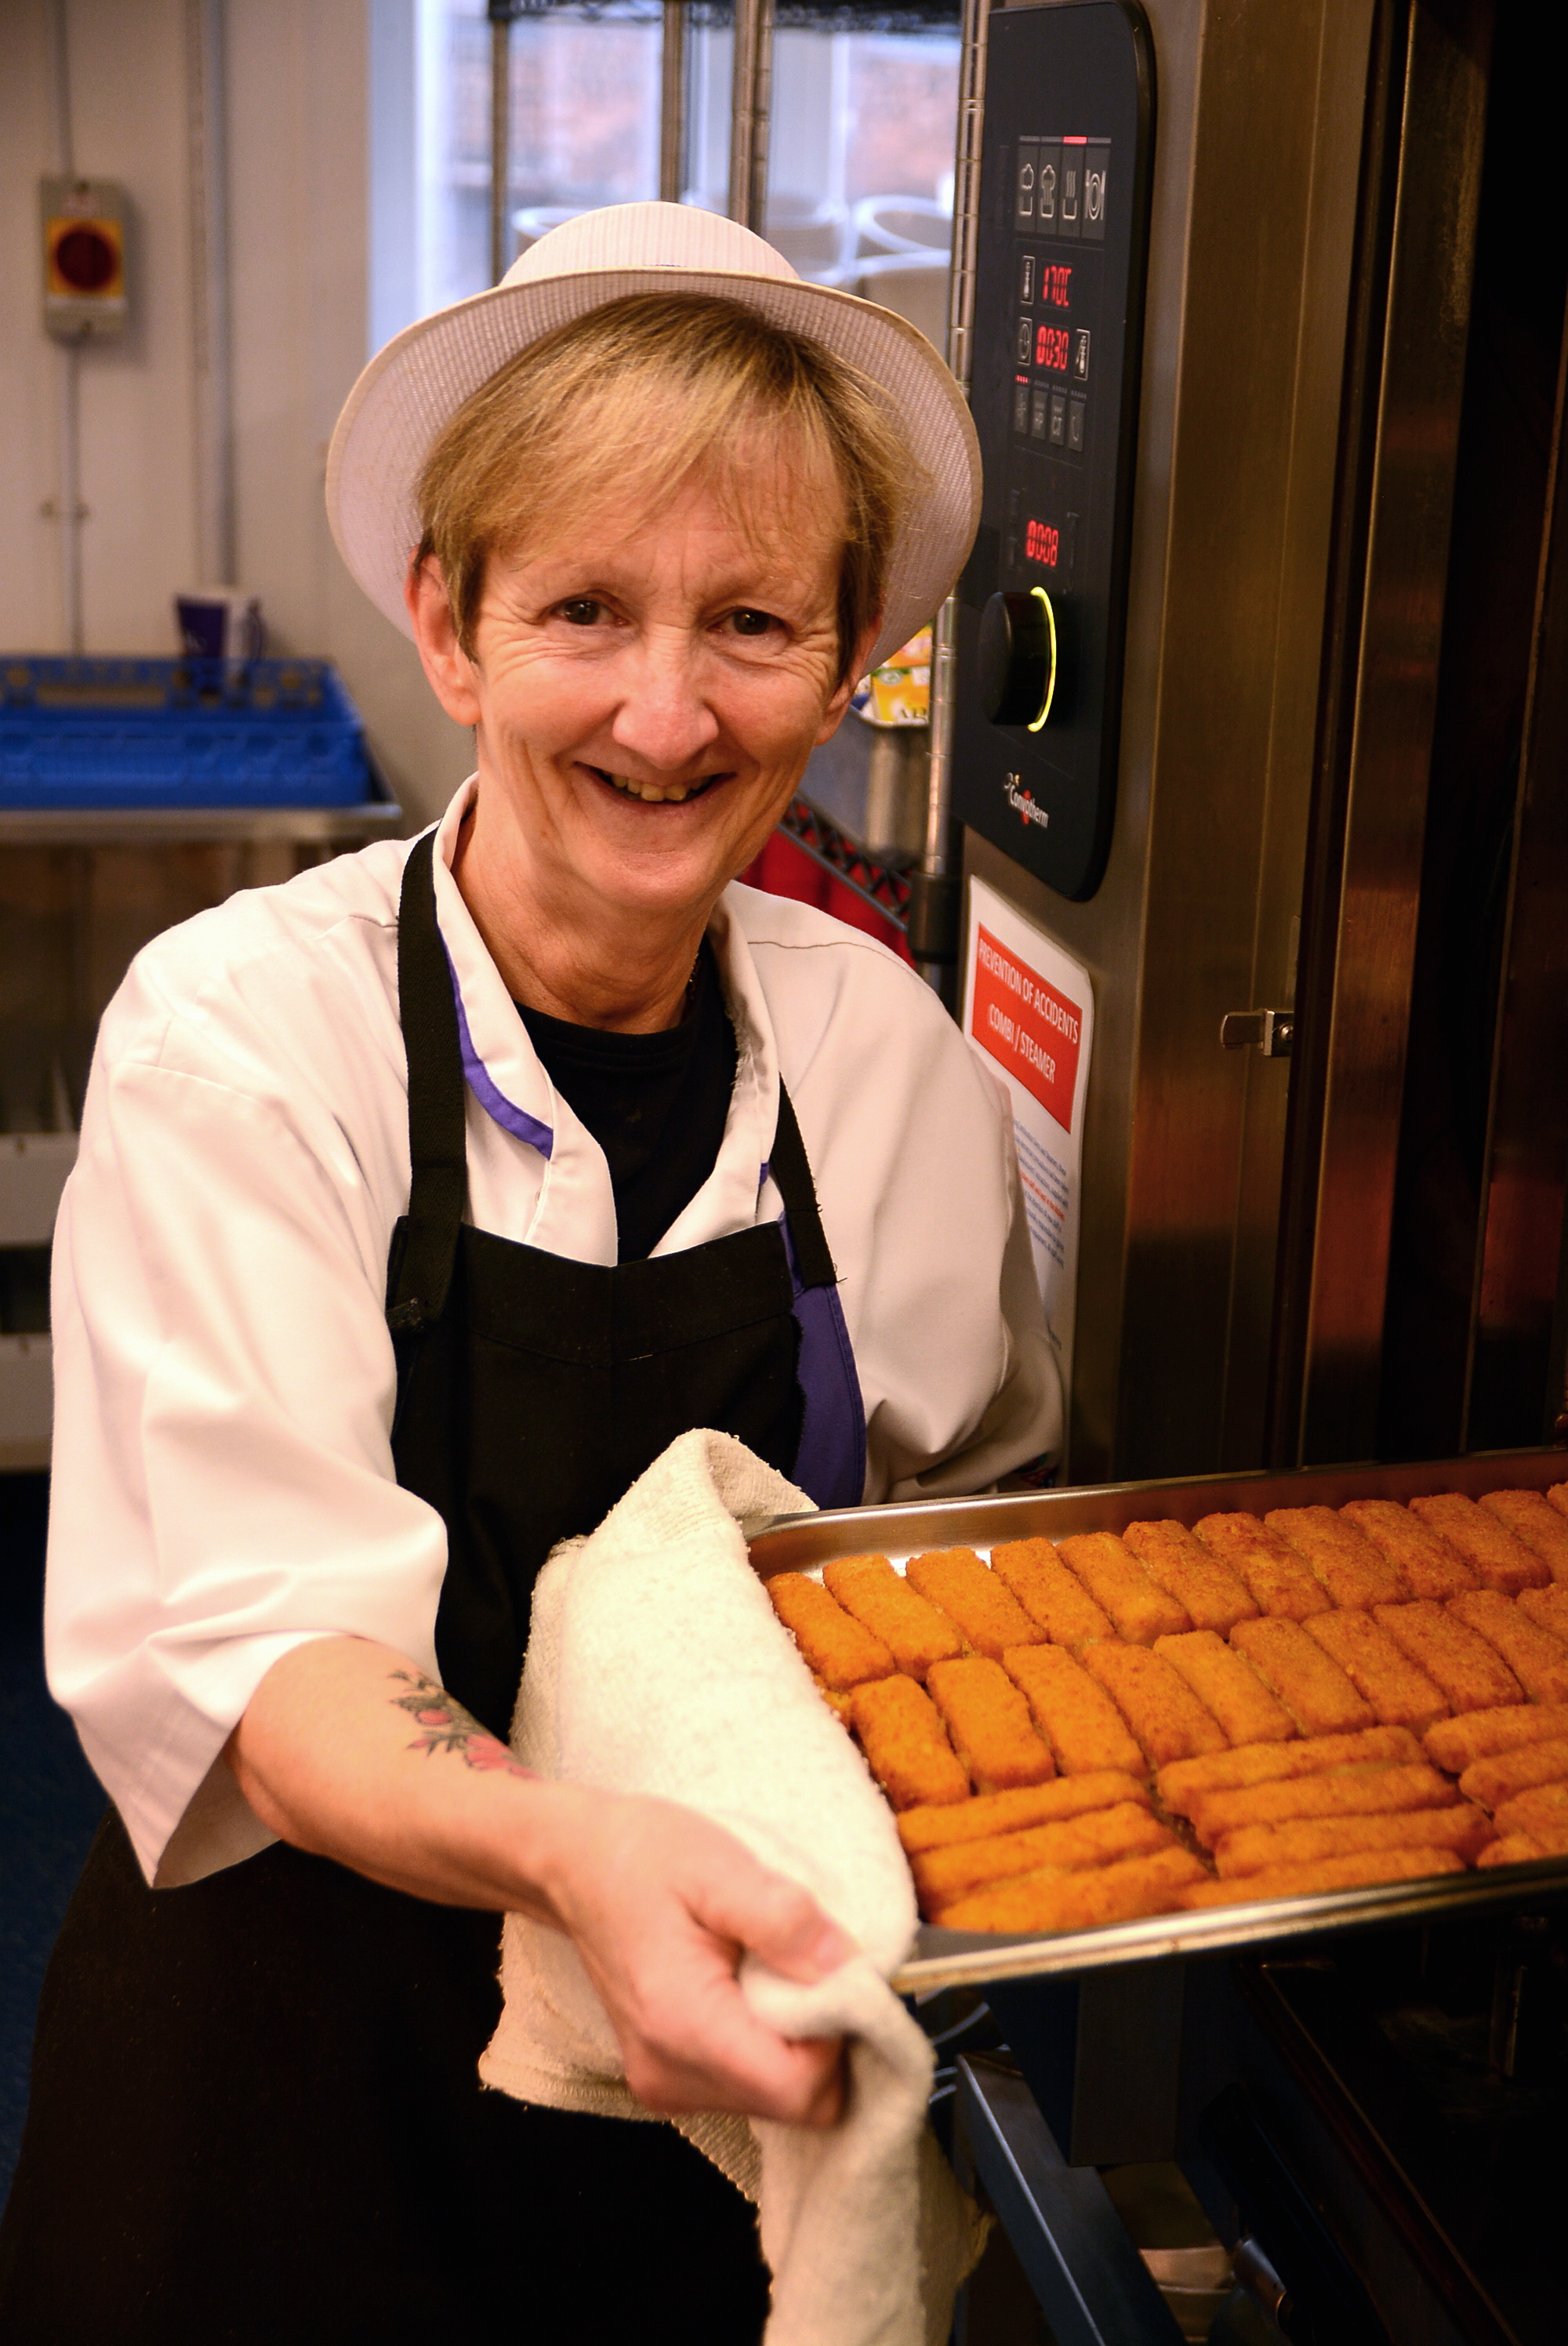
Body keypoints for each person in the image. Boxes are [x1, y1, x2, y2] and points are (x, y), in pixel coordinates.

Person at [0, 203, 1058, 2341]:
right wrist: (574, 1856)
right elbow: (279, 1660)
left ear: (847, 661)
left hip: (714, 2110)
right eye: (586, 608)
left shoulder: (884, 1070)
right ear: (450, 628)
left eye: (751, 623)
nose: (668, 719)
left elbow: (957, 1561)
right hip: (289, 2093)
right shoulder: (244, 1040)